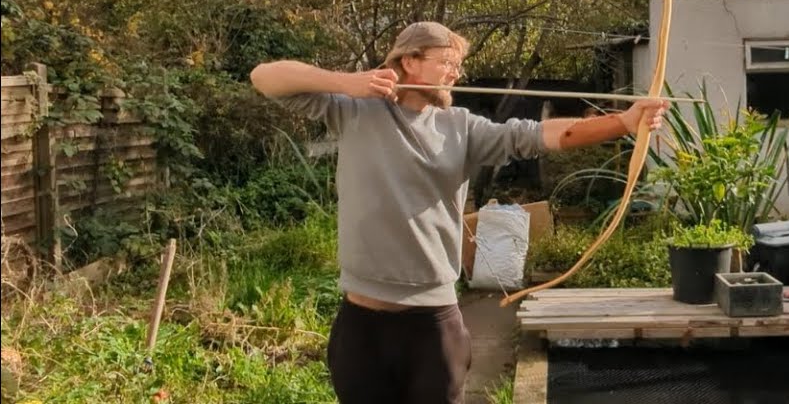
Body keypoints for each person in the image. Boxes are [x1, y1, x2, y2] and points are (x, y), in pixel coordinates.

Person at [249, 21, 668, 404]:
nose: (456, 73)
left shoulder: (462, 127)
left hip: (433, 326)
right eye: (447, 62)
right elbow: (264, 77)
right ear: (409, 61)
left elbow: (540, 135)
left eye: (458, 65)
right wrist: (347, 82)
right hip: (362, 325)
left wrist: (624, 123)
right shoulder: (355, 110)